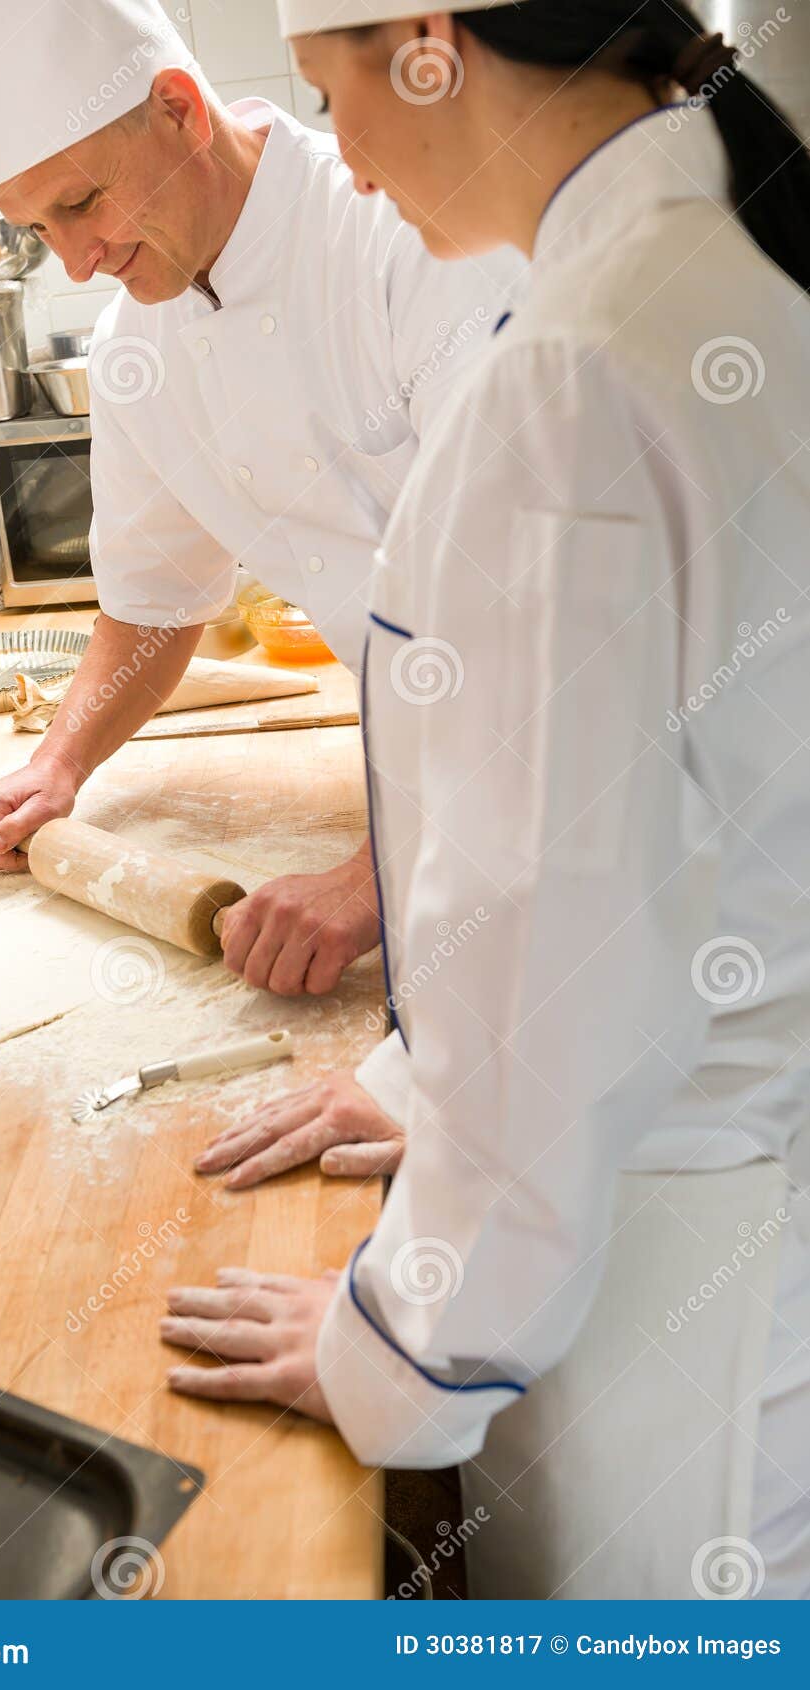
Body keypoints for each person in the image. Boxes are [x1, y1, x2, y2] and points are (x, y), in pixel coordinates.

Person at [165, 0, 810, 1600]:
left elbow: (559, 942)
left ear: (429, 42)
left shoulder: (577, 380)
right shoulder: (712, 266)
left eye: (328, 95)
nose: (344, 162)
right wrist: (421, 1068)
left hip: (675, 1272)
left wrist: (396, 1335)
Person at [0, 0, 517, 1038]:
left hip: (571, 773)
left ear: (177, 110)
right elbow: (153, 605)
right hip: (433, 777)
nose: (77, 261)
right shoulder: (135, 354)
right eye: (39, 230)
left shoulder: (414, 238)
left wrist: (380, 874)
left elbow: (541, 604)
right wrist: (57, 763)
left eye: (81, 202)